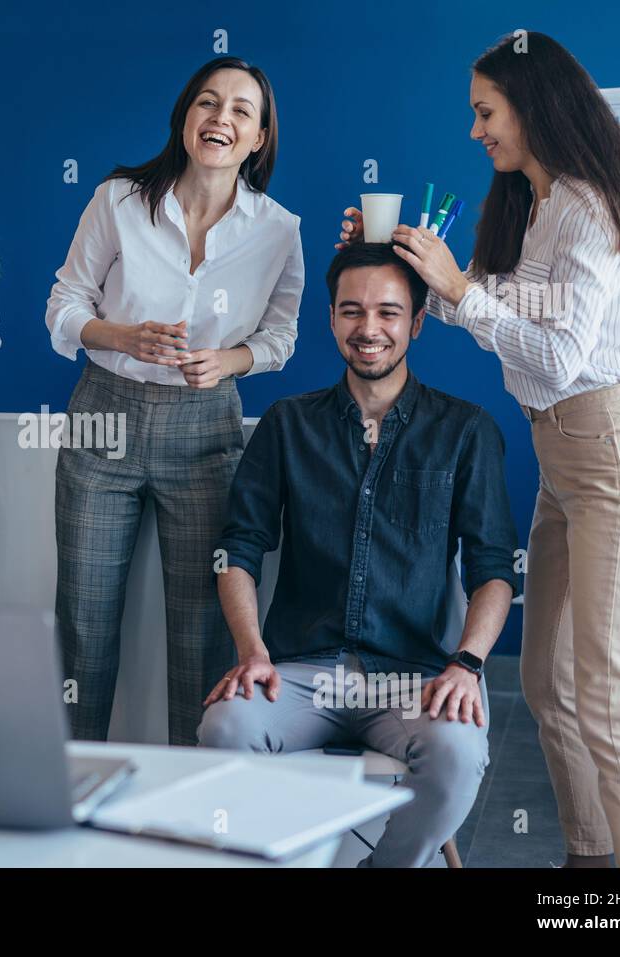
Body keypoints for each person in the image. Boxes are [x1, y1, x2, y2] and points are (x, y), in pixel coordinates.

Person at [340, 31, 620, 868]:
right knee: (548, 685)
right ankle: (594, 862)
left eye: (485, 112)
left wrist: (461, 289)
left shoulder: (591, 204)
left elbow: (557, 355)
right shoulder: (543, 204)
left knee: (612, 698)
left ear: (533, 106)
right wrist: (423, 272)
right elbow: (517, 319)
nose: (475, 131)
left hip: (612, 452)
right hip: (567, 457)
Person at [198, 242, 518, 867]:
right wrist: (251, 653)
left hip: (414, 677)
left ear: (417, 323)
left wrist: (467, 664)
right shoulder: (289, 425)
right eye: (352, 311)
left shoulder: (465, 431)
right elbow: (237, 549)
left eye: (388, 313)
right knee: (223, 730)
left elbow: (493, 569)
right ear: (331, 319)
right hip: (298, 671)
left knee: (455, 753)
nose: (368, 330)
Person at [45, 56, 305, 747]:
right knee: (84, 618)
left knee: (201, 629)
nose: (220, 118)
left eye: (240, 111)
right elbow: (64, 307)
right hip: (104, 413)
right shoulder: (118, 200)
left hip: (205, 428)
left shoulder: (279, 229)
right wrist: (121, 334)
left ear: (259, 137)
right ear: (185, 117)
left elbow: (282, 337)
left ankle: (193, 809)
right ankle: (73, 788)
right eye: (207, 103)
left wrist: (231, 360)